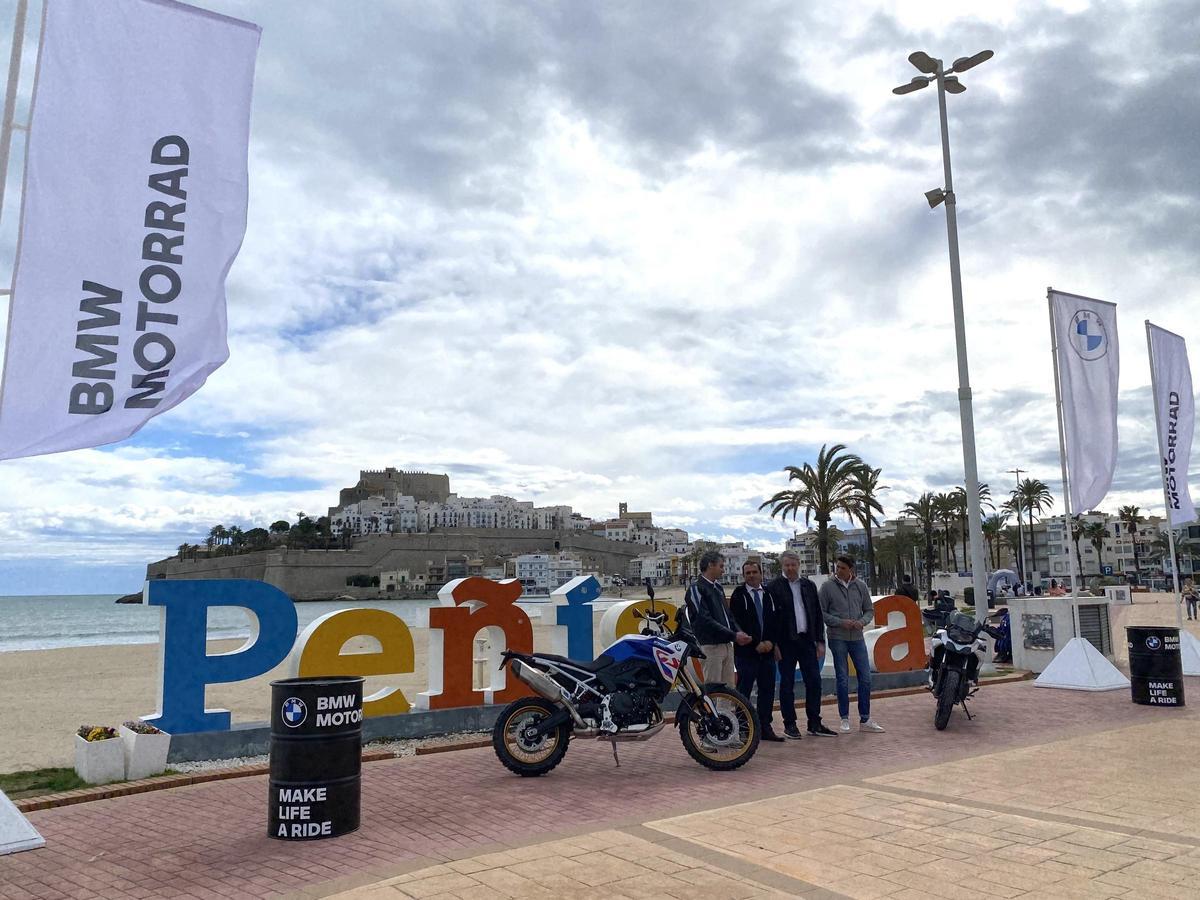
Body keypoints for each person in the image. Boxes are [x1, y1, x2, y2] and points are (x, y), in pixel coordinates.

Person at [766, 550, 835, 739]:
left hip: (807, 641)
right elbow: (770, 619)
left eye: (793, 564)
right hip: (785, 642)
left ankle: (814, 722)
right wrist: (774, 645)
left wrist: (820, 641)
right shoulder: (773, 587)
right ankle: (790, 724)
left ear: (799, 565)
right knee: (786, 684)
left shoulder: (808, 585)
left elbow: (817, 614)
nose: (790, 568)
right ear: (782, 566)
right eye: (786, 565)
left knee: (814, 681)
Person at [819, 555, 884, 733]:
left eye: (842, 568)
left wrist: (862, 622)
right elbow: (821, 613)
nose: (838, 570)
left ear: (851, 570)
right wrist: (841, 622)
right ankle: (844, 718)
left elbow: (869, 610)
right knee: (842, 678)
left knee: (865, 677)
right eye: (837, 567)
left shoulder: (861, 586)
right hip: (837, 637)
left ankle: (865, 719)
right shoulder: (827, 587)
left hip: (857, 637)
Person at [729, 559, 784, 741]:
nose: (751, 576)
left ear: (761, 573)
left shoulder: (769, 594)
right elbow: (736, 623)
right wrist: (755, 643)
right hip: (747, 653)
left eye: (754, 572)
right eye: (748, 573)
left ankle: (764, 726)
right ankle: (743, 729)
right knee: (743, 691)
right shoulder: (739, 595)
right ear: (744, 576)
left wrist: (771, 642)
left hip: (767, 652)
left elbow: (776, 621)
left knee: (767, 690)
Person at [685, 550, 750, 685]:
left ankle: (726, 708)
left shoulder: (718, 588)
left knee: (729, 688)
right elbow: (703, 619)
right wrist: (733, 635)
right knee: (713, 688)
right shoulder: (696, 588)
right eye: (721, 566)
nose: (723, 570)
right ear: (710, 565)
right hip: (711, 646)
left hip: (726, 644)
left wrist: (737, 632)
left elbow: (728, 615)